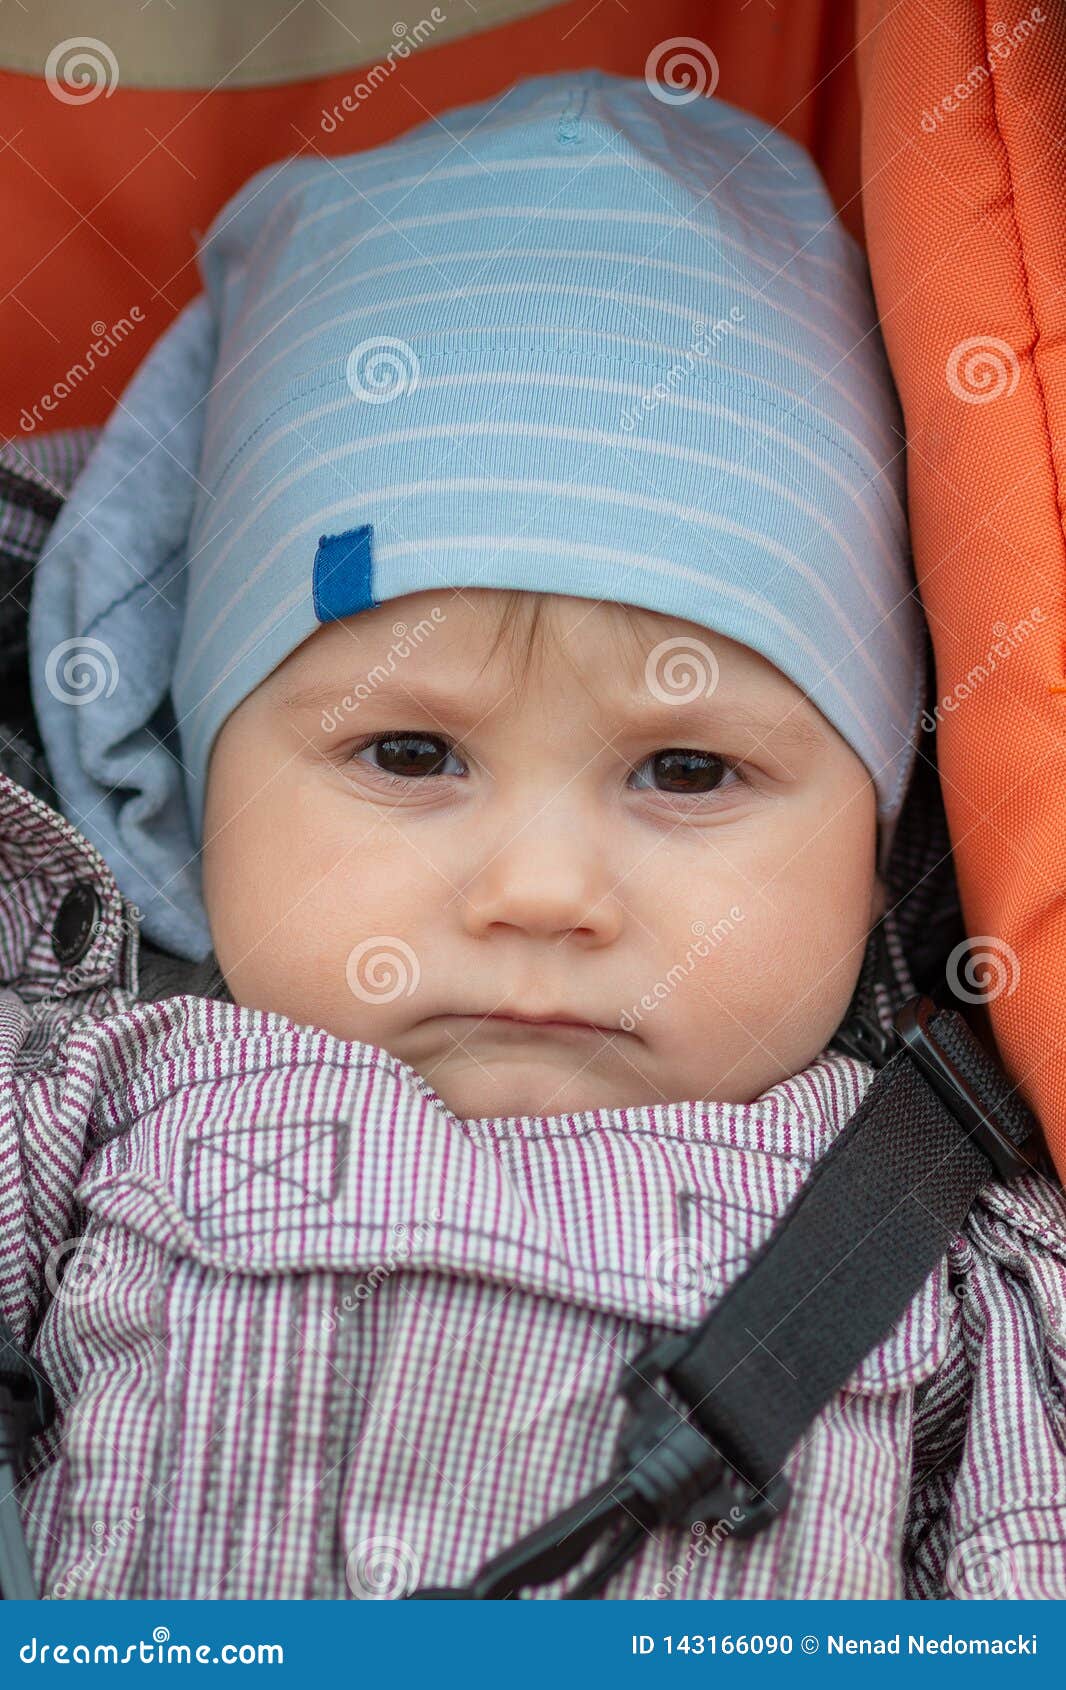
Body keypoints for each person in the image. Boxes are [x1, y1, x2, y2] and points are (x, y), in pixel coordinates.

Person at [3, 69, 1063, 1601]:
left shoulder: (947, 1228)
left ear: (875, 837)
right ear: (182, 781)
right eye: (409, 751)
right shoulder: (66, 1103)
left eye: (686, 769)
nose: (543, 890)